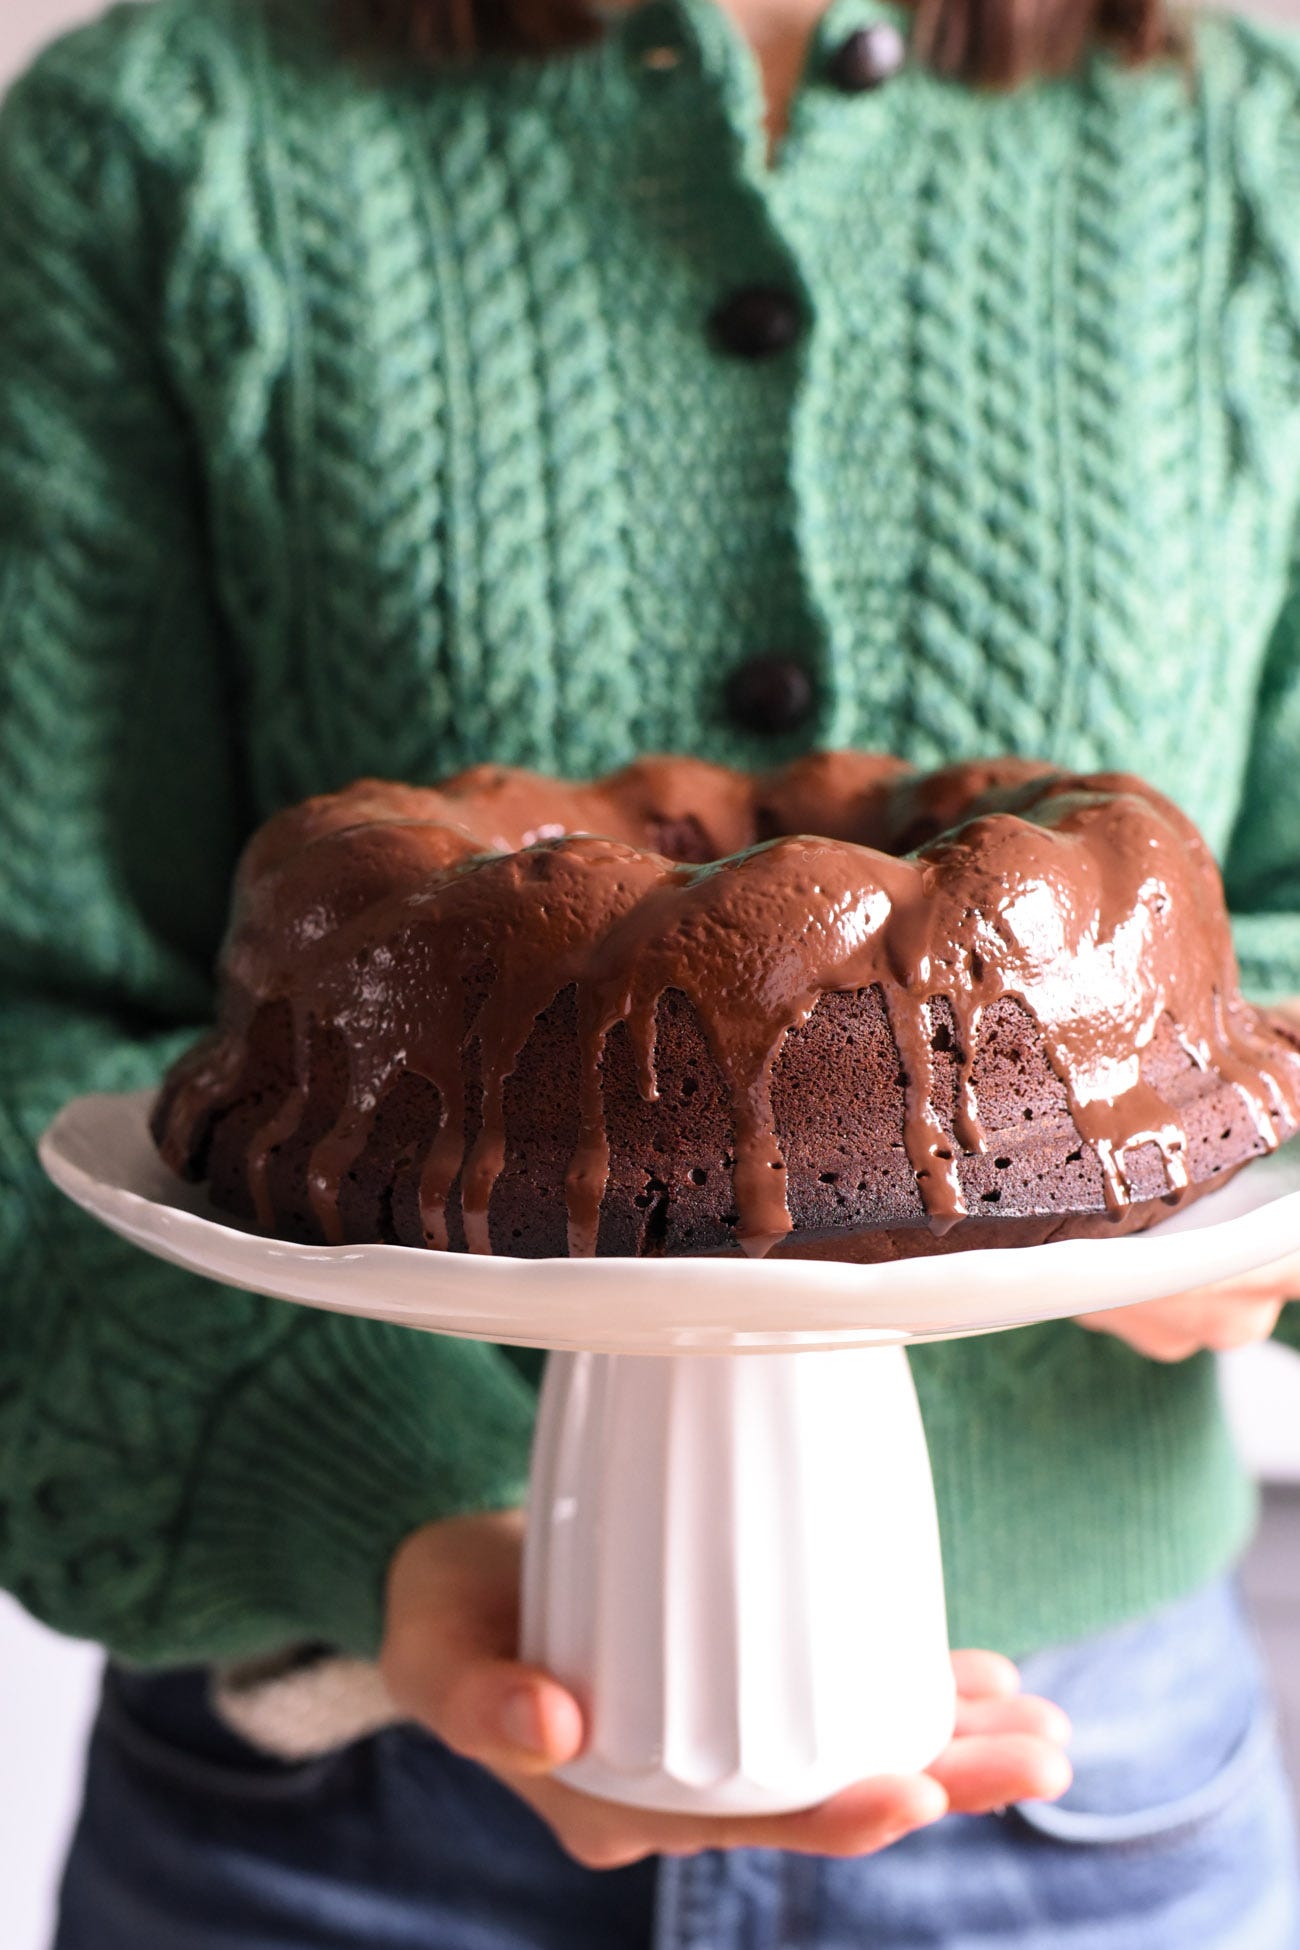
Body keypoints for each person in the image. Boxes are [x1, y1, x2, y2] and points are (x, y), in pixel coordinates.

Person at [0, 0, 1298, 1940]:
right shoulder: (165, 150)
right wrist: (383, 1500)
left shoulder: (1252, 158)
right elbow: (34, 1019)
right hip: (335, 1810)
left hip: (1088, 1806)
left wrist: (1173, 1130)